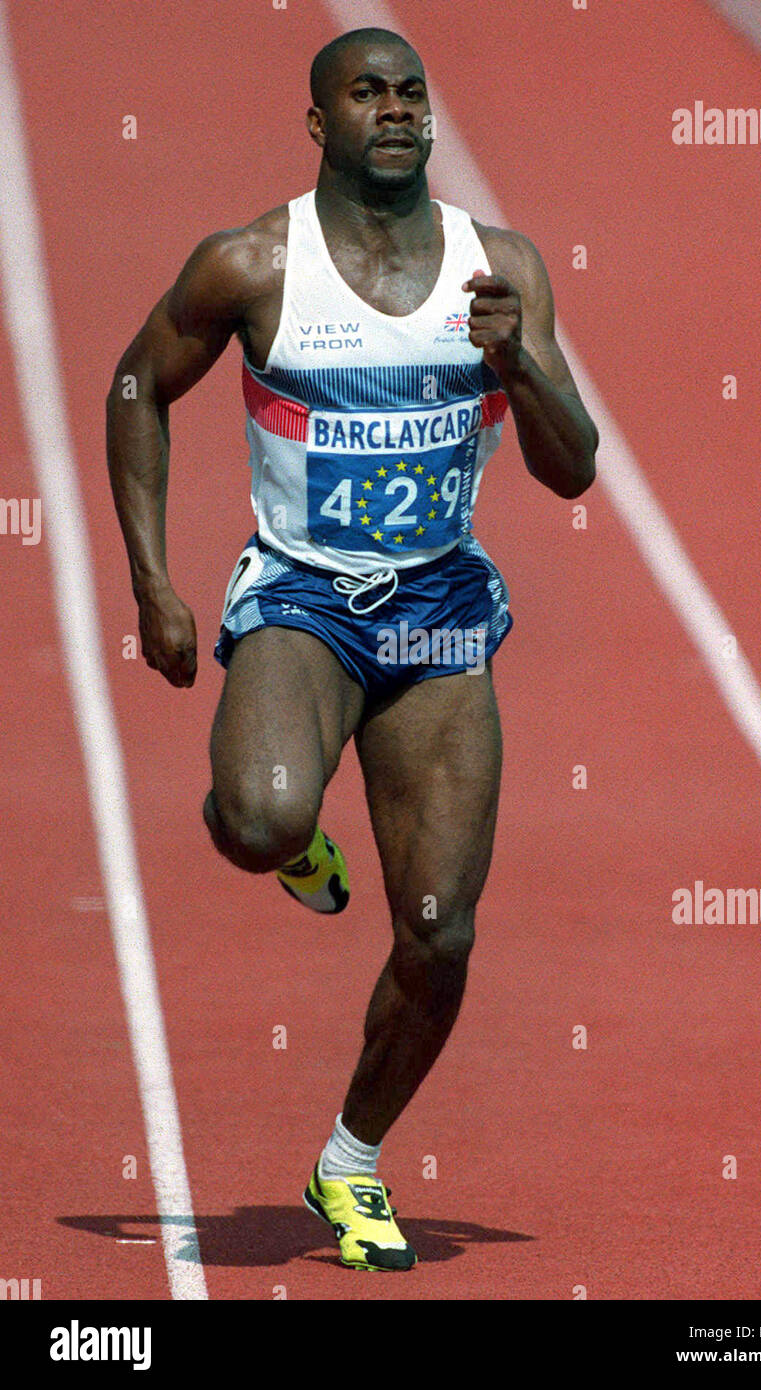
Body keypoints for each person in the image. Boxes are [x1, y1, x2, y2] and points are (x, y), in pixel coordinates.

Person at [107, 26, 598, 1273]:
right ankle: (289, 835)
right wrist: (154, 581)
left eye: (412, 93)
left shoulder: (505, 270)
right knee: (262, 816)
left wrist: (518, 363)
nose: (396, 111)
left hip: (439, 614)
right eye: (367, 94)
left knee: (439, 931)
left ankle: (352, 1162)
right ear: (319, 126)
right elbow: (133, 388)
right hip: (306, 600)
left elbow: (572, 465)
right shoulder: (253, 263)